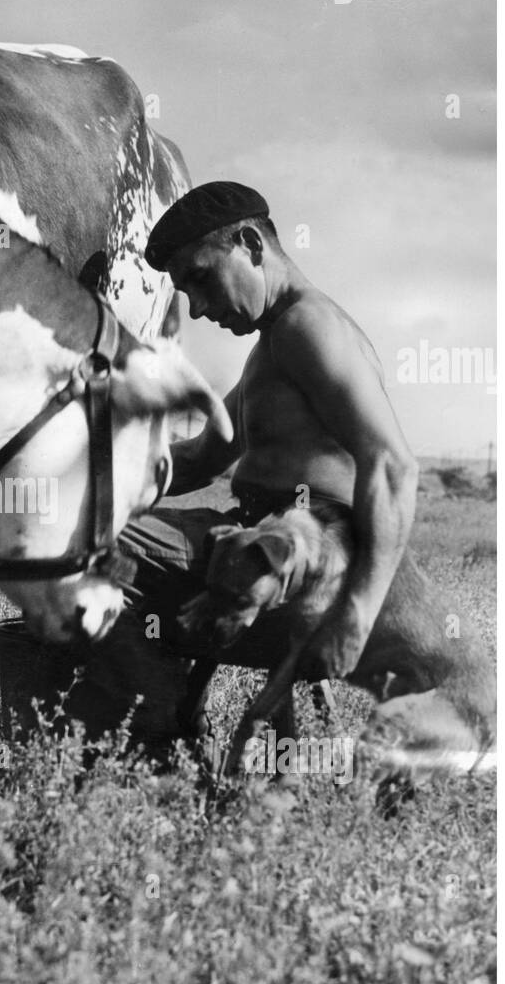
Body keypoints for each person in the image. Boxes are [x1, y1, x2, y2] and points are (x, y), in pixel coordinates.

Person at [117, 180, 418, 680]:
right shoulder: (275, 343)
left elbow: (392, 465)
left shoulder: (308, 327)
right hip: (246, 542)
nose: (197, 308)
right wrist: (95, 469)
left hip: (290, 559)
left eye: (201, 279)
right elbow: (200, 458)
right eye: (186, 293)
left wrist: (357, 616)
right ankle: (162, 704)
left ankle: (143, 715)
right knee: (88, 520)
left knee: (94, 538)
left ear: (251, 245)